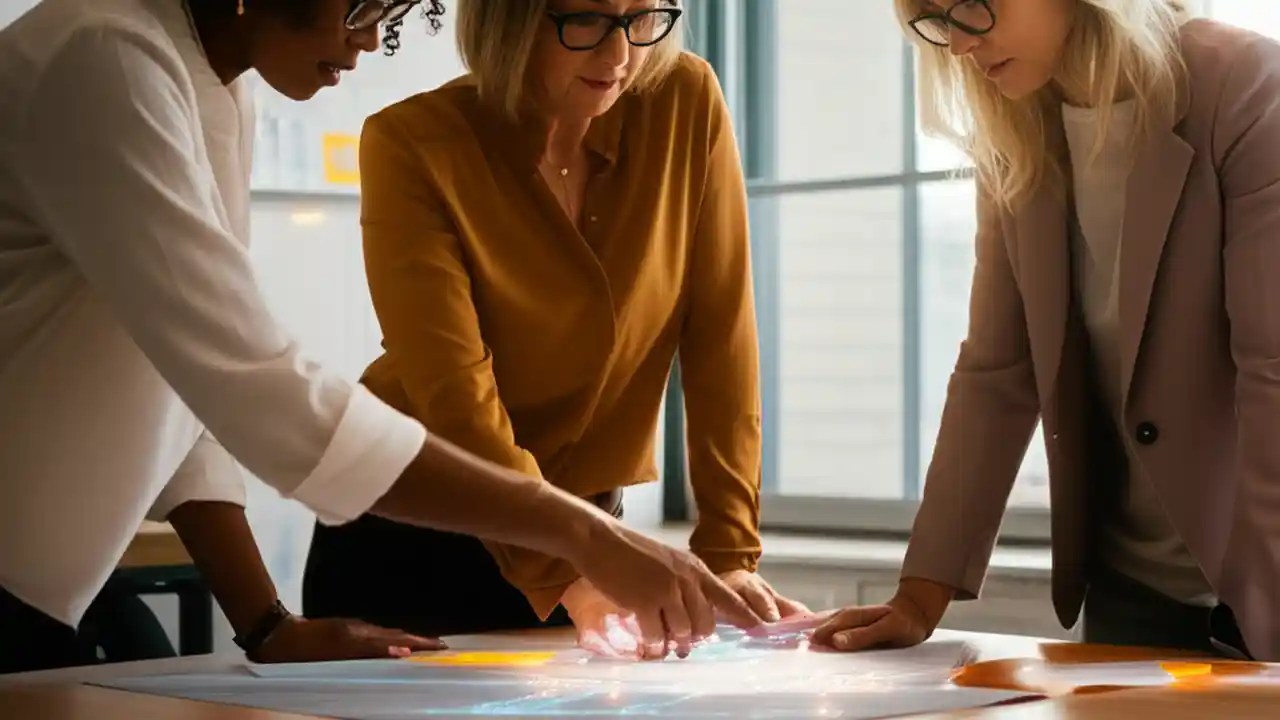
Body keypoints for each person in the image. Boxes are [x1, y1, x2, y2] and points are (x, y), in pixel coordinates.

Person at [0, 0, 763, 675]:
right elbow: (262, 391)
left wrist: (266, 625)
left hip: (40, 595)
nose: (370, 38)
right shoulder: (105, 59)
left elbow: (190, 389)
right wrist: (581, 541)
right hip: (27, 584)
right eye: (361, 3)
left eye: (391, 10)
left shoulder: (215, 88)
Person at [301, 0, 807, 655]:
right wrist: (566, 571)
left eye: (642, 18)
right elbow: (455, 393)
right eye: (585, 19)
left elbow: (721, 336)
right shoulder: (412, 143)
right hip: (415, 534)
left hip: (587, 534)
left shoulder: (685, 101)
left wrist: (729, 554)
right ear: (508, 20)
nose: (620, 55)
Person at [812, 0, 1280, 661]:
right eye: (936, 20)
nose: (957, 45)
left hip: (1259, 582)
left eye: (970, 4)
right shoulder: (1018, 128)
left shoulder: (1244, 86)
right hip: (1132, 588)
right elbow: (996, 371)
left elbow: (1273, 369)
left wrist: (1265, 621)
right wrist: (919, 597)